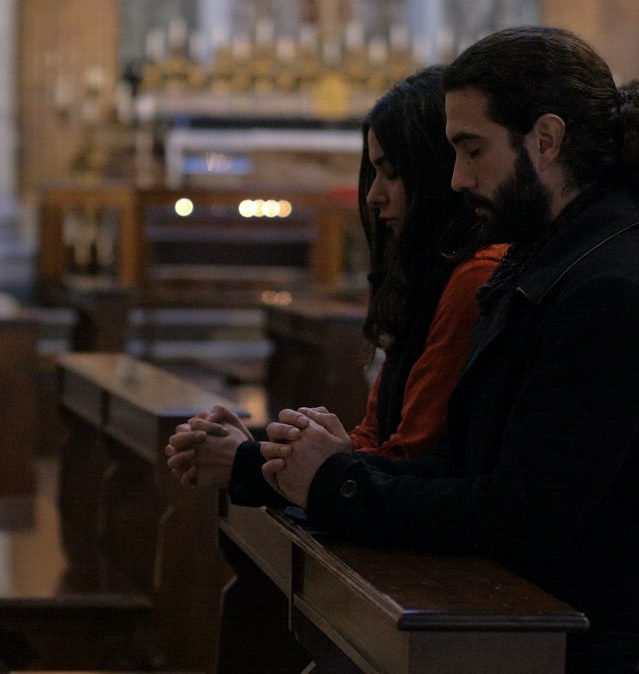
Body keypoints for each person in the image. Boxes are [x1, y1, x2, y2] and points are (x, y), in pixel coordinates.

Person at [260, 26, 639, 674]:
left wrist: (339, 484)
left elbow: (523, 513)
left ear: (546, 140)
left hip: (611, 650)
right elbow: (464, 465)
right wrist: (324, 469)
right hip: (539, 628)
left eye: (472, 150)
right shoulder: (544, 264)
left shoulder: (614, 292)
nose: (456, 178)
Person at [165, 66, 506, 500]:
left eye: (393, 174)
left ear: (436, 173)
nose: (372, 195)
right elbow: (375, 435)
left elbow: (412, 457)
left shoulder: (475, 277)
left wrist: (248, 461)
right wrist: (262, 449)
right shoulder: (433, 277)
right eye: (374, 173)